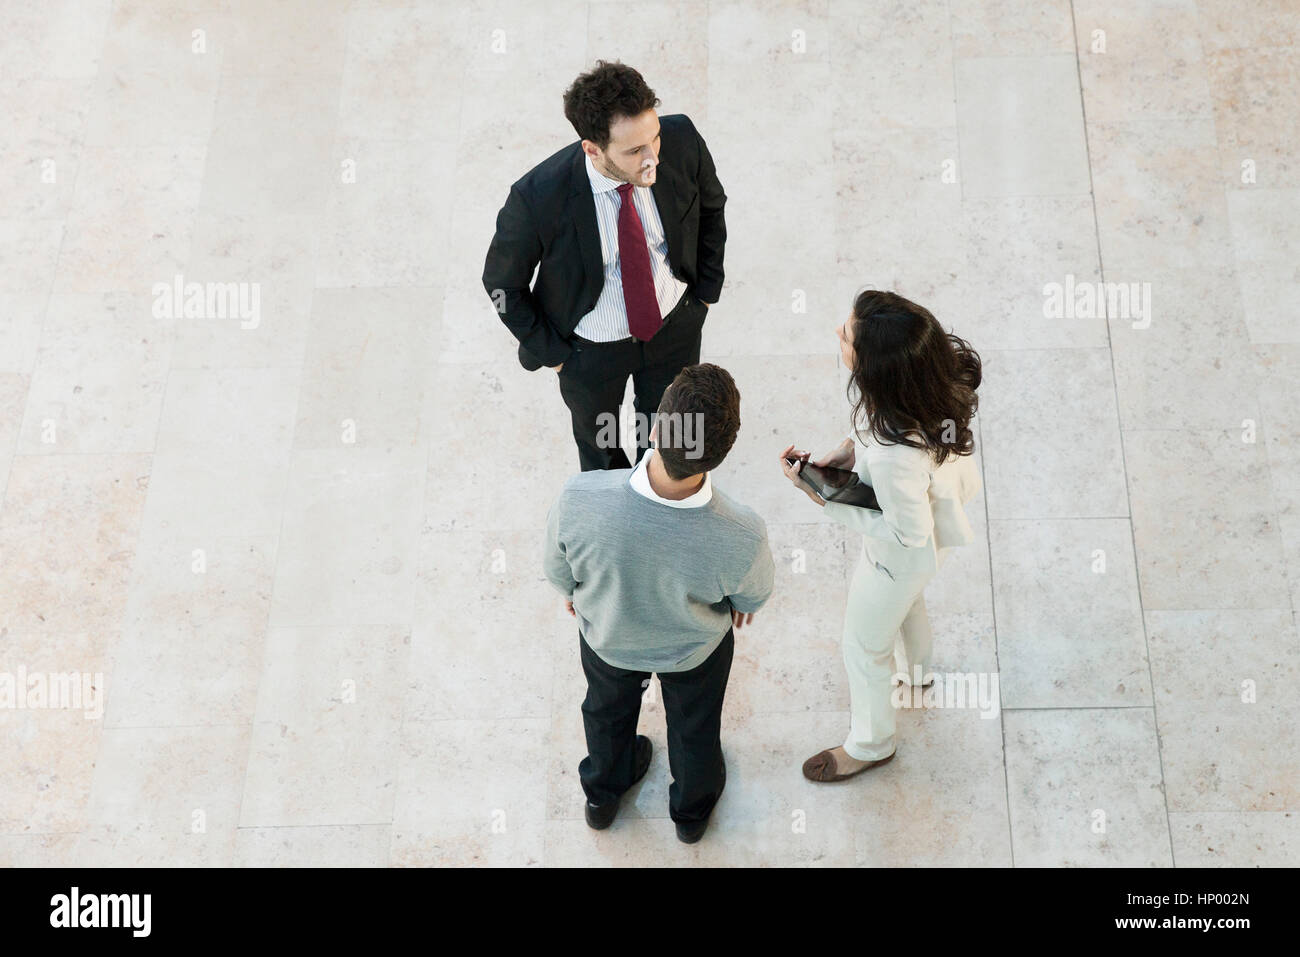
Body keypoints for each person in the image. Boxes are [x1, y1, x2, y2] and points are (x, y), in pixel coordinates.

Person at [543, 364, 774, 842]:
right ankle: (690, 815)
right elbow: (752, 596)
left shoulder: (579, 497)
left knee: (605, 714)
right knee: (695, 726)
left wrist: (574, 594)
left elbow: (557, 569)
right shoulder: (742, 533)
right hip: (693, 653)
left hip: (608, 638)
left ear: (652, 427)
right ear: (720, 454)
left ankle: (602, 796)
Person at [483, 59, 727, 472]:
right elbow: (502, 284)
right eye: (634, 151)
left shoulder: (682, 137)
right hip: (589, 353)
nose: (652, 158)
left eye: (654, 138)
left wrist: (704, 294)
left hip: (675, 328)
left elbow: (711, 207)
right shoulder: (537, 197)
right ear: (593, 149)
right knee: (602, 453)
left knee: (672, 441)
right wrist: (558, 356)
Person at [779, 290, 983, 783]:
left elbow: (905, 534)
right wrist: (848, 455)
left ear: (874, 370)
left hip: (900, 556)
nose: (837, 332)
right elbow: (879, 437)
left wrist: (826, 500)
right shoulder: (929, 386)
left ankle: (871, 743)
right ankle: (916, 675)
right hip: (934, 540)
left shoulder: (895, 458)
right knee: (911, 604)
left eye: (846, 333)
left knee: (863, 646)